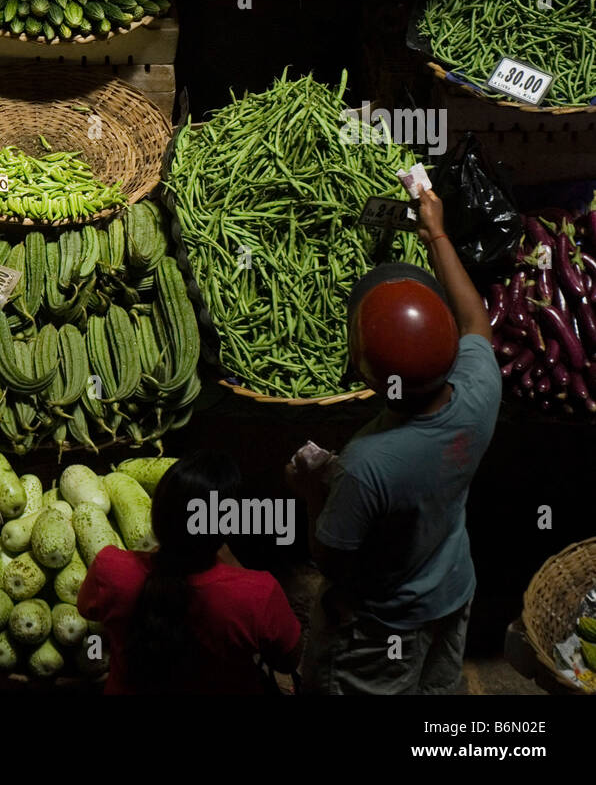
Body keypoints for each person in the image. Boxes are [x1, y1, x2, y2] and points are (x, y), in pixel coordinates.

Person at [292, 186, 499, 694]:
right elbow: (477, 321)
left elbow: (333, 558)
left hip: (384, 624)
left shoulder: (365, 463)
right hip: (452, 590)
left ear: (368, 379)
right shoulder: (479, 390)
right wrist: (436, 233)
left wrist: (308, 487)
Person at [78, 451, 302, 693]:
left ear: (154, 512)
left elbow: (87, 609)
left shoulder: (110, 569)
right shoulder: (258, 593)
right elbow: (287, 661)